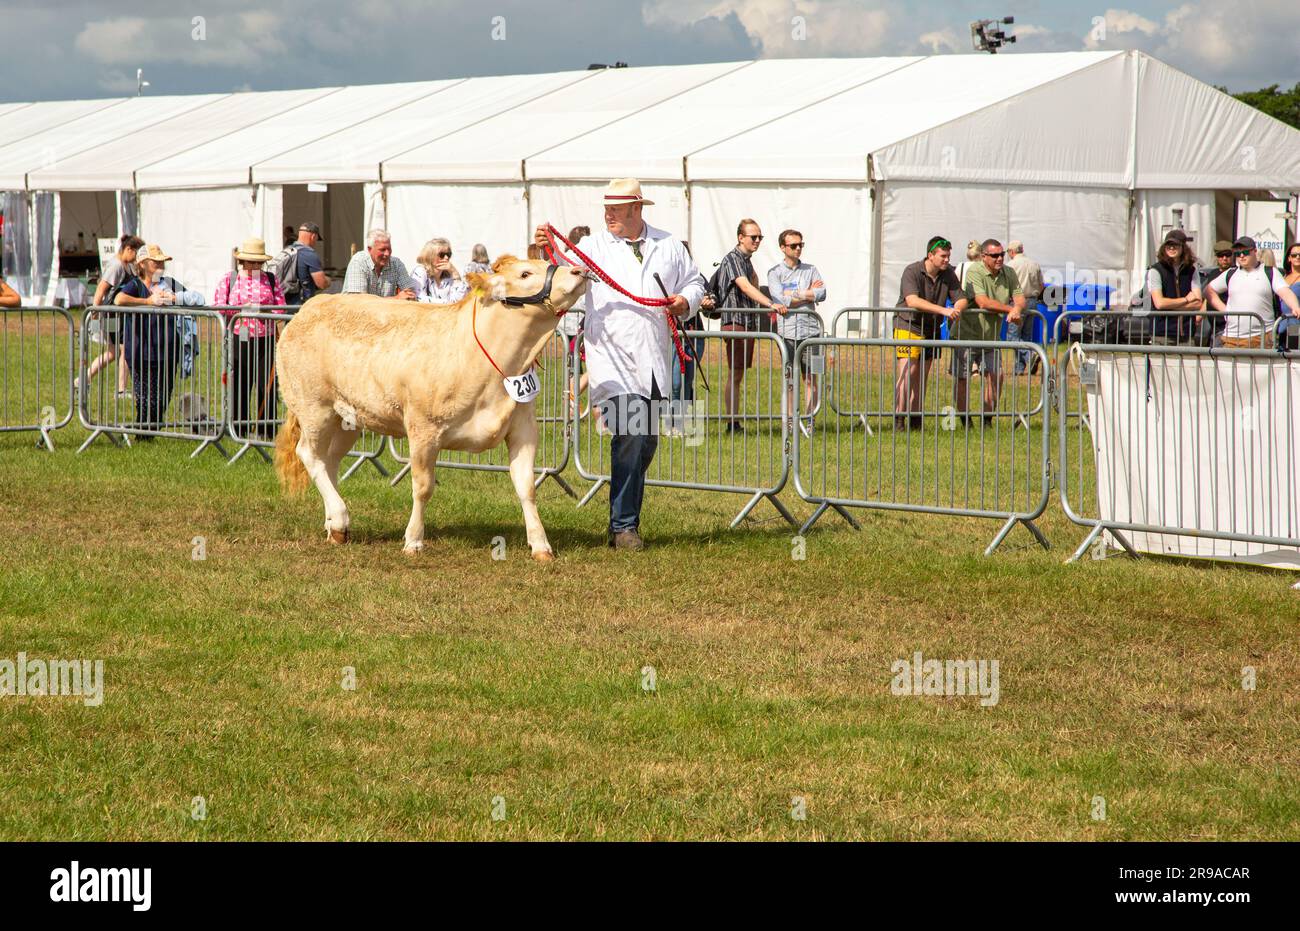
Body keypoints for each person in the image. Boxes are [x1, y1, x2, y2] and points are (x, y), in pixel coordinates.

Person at [533, 178, 704, 550]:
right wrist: (547, 251)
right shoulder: (593, 246)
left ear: (636, 209)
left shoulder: (669, 244)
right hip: (611, 355)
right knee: (630, 431)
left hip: (654, 354)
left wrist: (684, 301)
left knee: (645, 442)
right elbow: (562, 274)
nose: (608, 213)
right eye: (606, 207)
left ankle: (620, 515)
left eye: (616, 208)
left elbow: (695, 282)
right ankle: (624, 526)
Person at [113, 244, 206, 434]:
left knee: (163, 397)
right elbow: (119, 300)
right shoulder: (135, 284)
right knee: (145, 398)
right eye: (156, 261)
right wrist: (148, 302)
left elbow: (199, 299)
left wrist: (173, 298)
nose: (161, 264)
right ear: (143, 264)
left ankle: (152, 430)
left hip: (168, 351)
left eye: (162, 261)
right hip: (140, 351)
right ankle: (144, 433)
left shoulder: (170, 283)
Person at [714, 218, 787, 433]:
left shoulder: (746, 260)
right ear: (740, 237)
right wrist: (770, 303)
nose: (757, 240)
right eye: (753, 237)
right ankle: (732, 423)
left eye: (759, 237)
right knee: (734, 374)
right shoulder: (733, 259)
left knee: (738, 374)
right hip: (736, 323)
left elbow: (751, 284)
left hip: (746, 323)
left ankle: (734, 422)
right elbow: (745, 287)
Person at [213, 237, 287, 440]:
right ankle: (239, 429)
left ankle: (266, 430)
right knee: (241, 385)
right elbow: (219, 305)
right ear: (242, 262)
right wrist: (242, 309)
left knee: (267, 385)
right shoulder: (230, 279)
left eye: (258, 262)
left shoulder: (270, 279)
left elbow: (281, 306)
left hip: (266, 339)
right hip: (240, 338)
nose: (255, 265)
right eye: (251, 261)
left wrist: (265, 310)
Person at [893, 236, 966, 429]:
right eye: (943, 256)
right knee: (908, 372)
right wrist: (944, 311)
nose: (947, 260)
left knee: (922, 376)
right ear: (930, 255)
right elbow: (912, 301)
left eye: (948, 256)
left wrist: (957, 307)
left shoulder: (949, 274)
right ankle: (899, 419)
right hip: (908, 326)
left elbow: (961, 297)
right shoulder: (912, 271)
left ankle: (916, 420)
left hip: (931, 328)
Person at [956, 238, 1023, 424]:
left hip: (991, 337)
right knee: (963, 379)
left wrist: (1017, 308)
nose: (1000, 259)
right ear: (983, 257)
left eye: (1001, 254)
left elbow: (1019, 297)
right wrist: (1010, 309)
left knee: (996, 376)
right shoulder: (974, 271)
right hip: (966, 335)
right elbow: (983, 302)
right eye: (995, 256)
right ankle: (964, 420)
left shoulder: (1008, 272)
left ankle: (987, 419)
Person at [766, 229, 825, 434]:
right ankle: (790, 421)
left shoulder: (811, 270)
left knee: (811, 377)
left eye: (801, 244)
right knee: (789, 378)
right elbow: (780, 299)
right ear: (783, 248)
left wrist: (795, 294)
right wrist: (809, 294)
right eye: (793, 245)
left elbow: (822, 292)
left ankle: (809, 421)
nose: (798, 248)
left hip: (811, 332)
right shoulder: (775, 272)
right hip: (787, 334)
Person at [1204, 236, 1300, 348]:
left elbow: (1285, 292)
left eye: (1245, 252)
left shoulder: (1270, 272)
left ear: (1255, 251)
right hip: (1231, 338)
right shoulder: (1230, 273)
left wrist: (1295, 307)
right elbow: (1208, 291)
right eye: (1237, 253)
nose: (1241, 256)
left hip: (1262, 338)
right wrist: (1225, 310)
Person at [81, 233, 144, 398]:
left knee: (113, 352)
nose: (137, 258)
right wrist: (95, 312)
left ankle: (83, 379)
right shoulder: (116, 266)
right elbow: (101, 289)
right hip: (112, 315)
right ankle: (121, 390)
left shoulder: (126, 265)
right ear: (128, 249)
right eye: (136, 254)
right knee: (125, 349)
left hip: (116, 315)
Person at [1145, 230, 1202, 345]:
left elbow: (1197, 303)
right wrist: (1185, 300)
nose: (1171, 248)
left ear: (1183, 247)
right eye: (1168, 245)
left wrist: (1169, 308)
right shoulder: (1155, 270)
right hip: (1162, 334)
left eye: (1175, 245)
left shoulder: (1191, 270)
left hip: (1187, 334)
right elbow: (1159, 303)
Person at [341, 229, 415, 299]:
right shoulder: (358, 261)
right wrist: (396, 298)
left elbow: (409, 292)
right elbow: (359, 301)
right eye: (382, 250)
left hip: (386, 311)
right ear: (370, 249)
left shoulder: (396, 263)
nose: (387, 253)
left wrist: (407, 295)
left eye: (389, 249)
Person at [1005, 239, 1043, 373]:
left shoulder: (1010, 265)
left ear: (1011, 251)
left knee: (1012, 337)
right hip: (1032, 300)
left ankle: (1030, 356)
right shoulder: (1034, 264)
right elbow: (1041, 285)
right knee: (1026, 336)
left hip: (1017, 302)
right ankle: (1019, 368)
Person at [410, 238, 468, 304]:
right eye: (442, 255)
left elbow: (460, 301)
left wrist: (455, 274)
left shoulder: (449, 274)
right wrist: (448, 303)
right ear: (430, 256)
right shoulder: (420, 271)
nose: (446, 258)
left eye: (448, 254)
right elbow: (419, 298)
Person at [291, 222, 330, 302]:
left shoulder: (288, 250)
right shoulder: (309, 254)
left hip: (285, 302)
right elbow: (321, 283)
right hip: (303, 304)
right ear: (313, 236)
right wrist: (328, 281)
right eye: (316, 239)